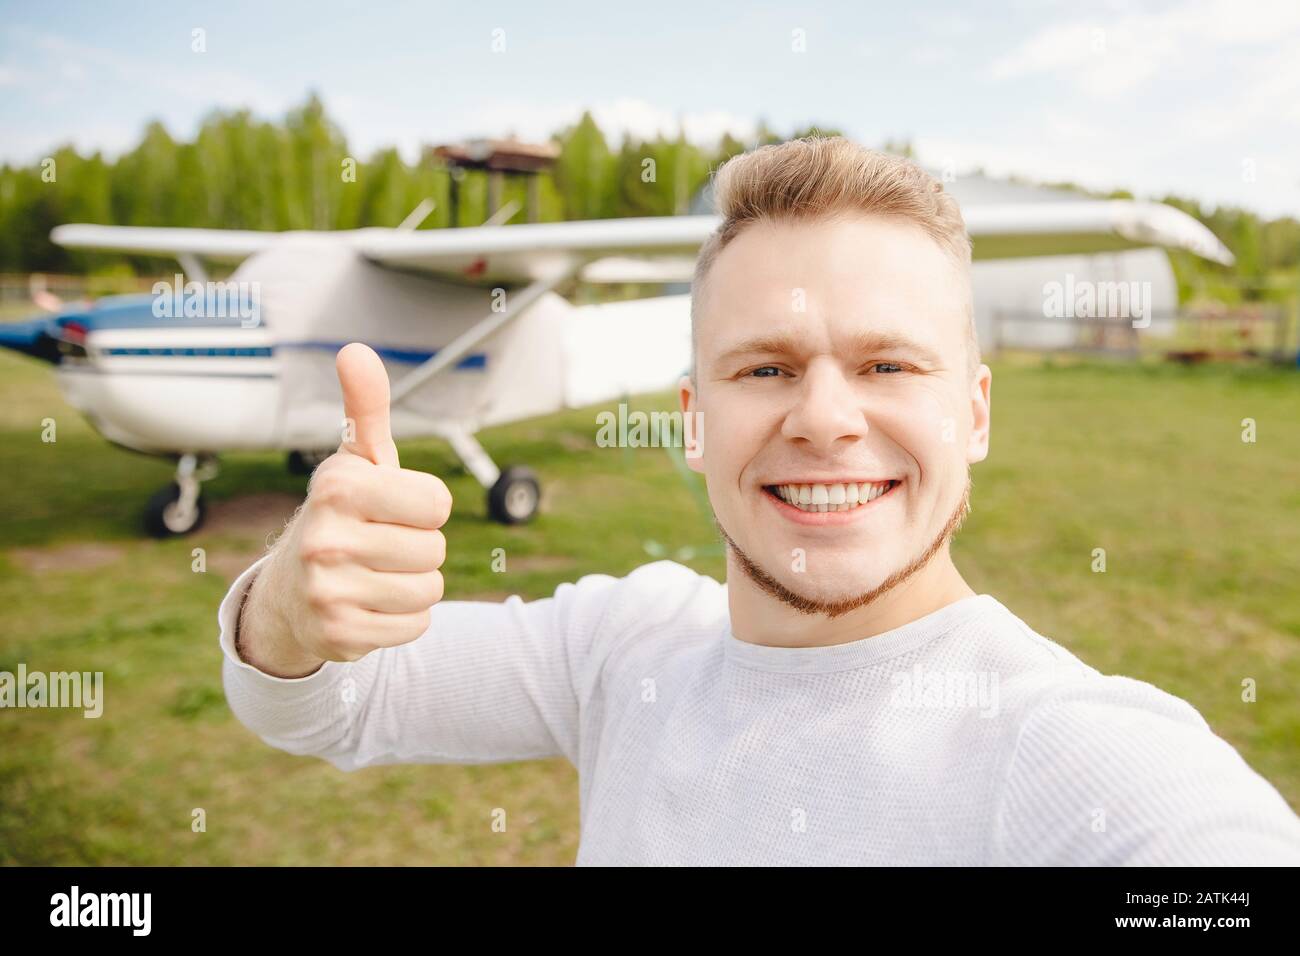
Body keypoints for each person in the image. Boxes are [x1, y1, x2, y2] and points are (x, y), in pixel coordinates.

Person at [218, 136, 1300, 865]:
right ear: (693, 417)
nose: (825, 417)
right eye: (766, 368)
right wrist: (288, 606)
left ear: (973, 412)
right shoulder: (620, 642)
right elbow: (327, 707)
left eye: (886, 365)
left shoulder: (1069, 748)